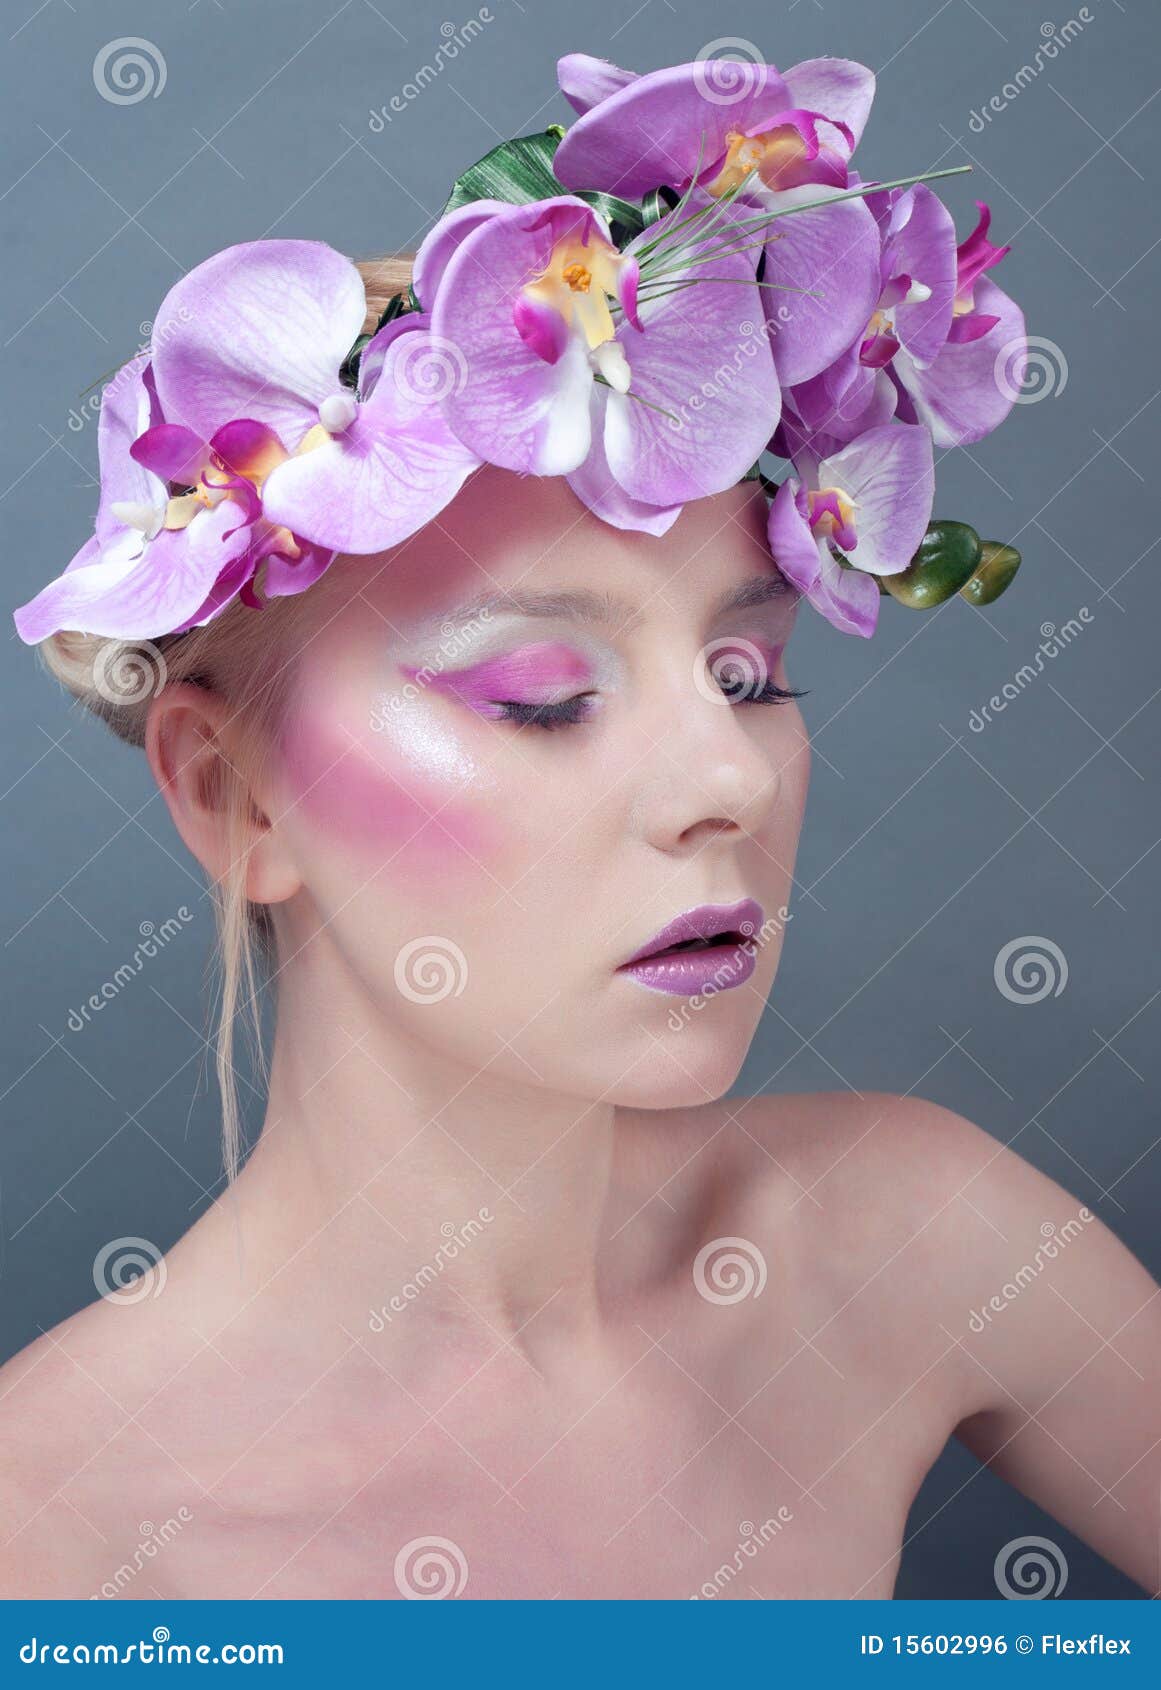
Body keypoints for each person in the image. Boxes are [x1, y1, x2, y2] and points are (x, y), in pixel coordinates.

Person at [3, 48, 1156, 1602]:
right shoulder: (56, 1541)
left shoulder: (906, 1238)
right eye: (543, 698)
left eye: (746, 675)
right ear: (232, 793)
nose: (730, 779)